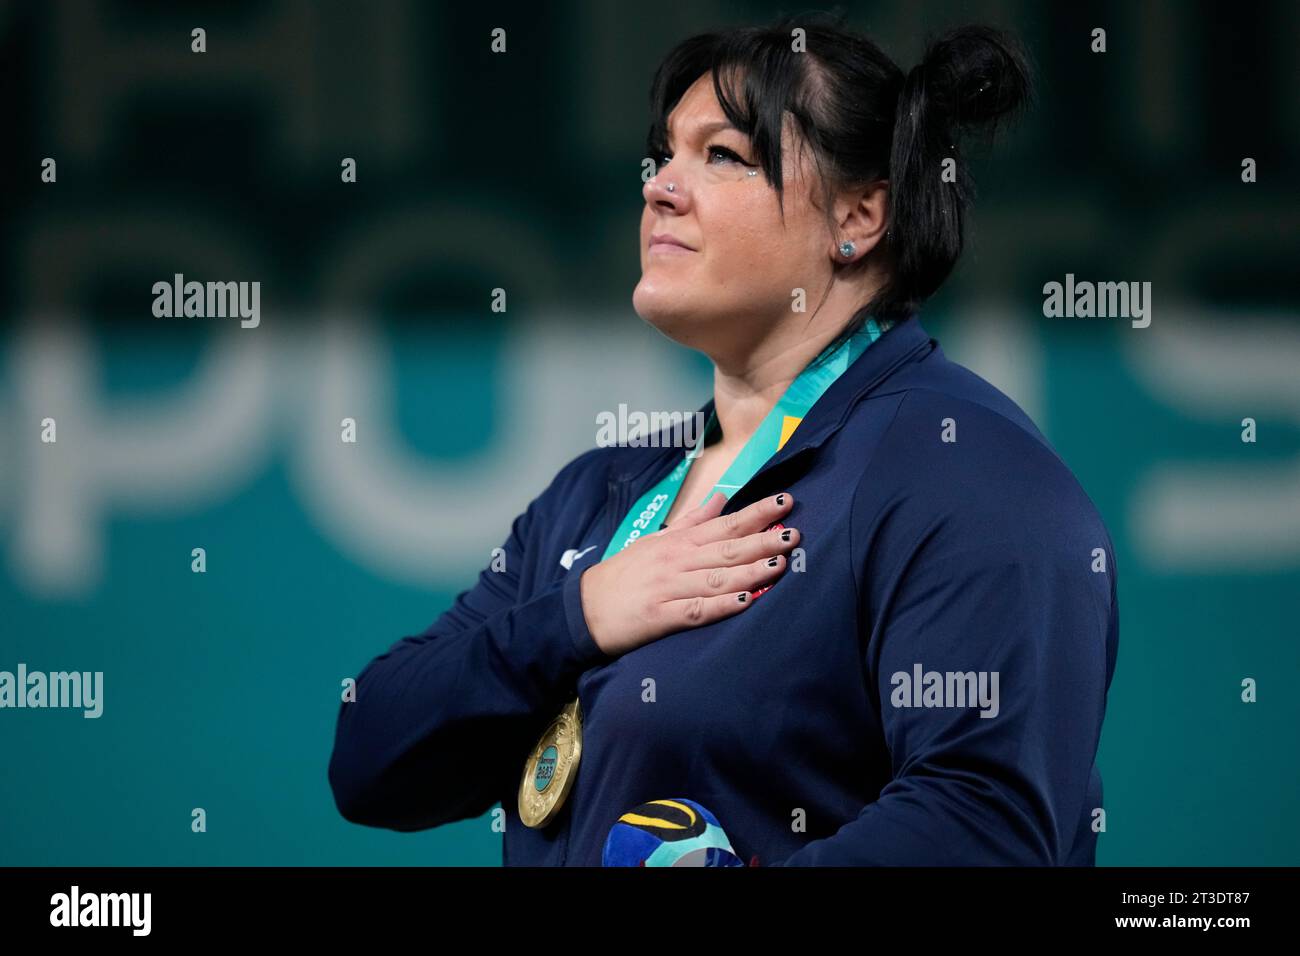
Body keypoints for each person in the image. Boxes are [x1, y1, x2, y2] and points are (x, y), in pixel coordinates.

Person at [329, 13, 1119, 866]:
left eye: (724, 156)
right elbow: (372, 756)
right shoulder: (597, 498)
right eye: (664, 153)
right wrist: (582, 615)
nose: (661, 187)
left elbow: (985, 824)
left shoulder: (962, 468)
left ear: (858, 215)